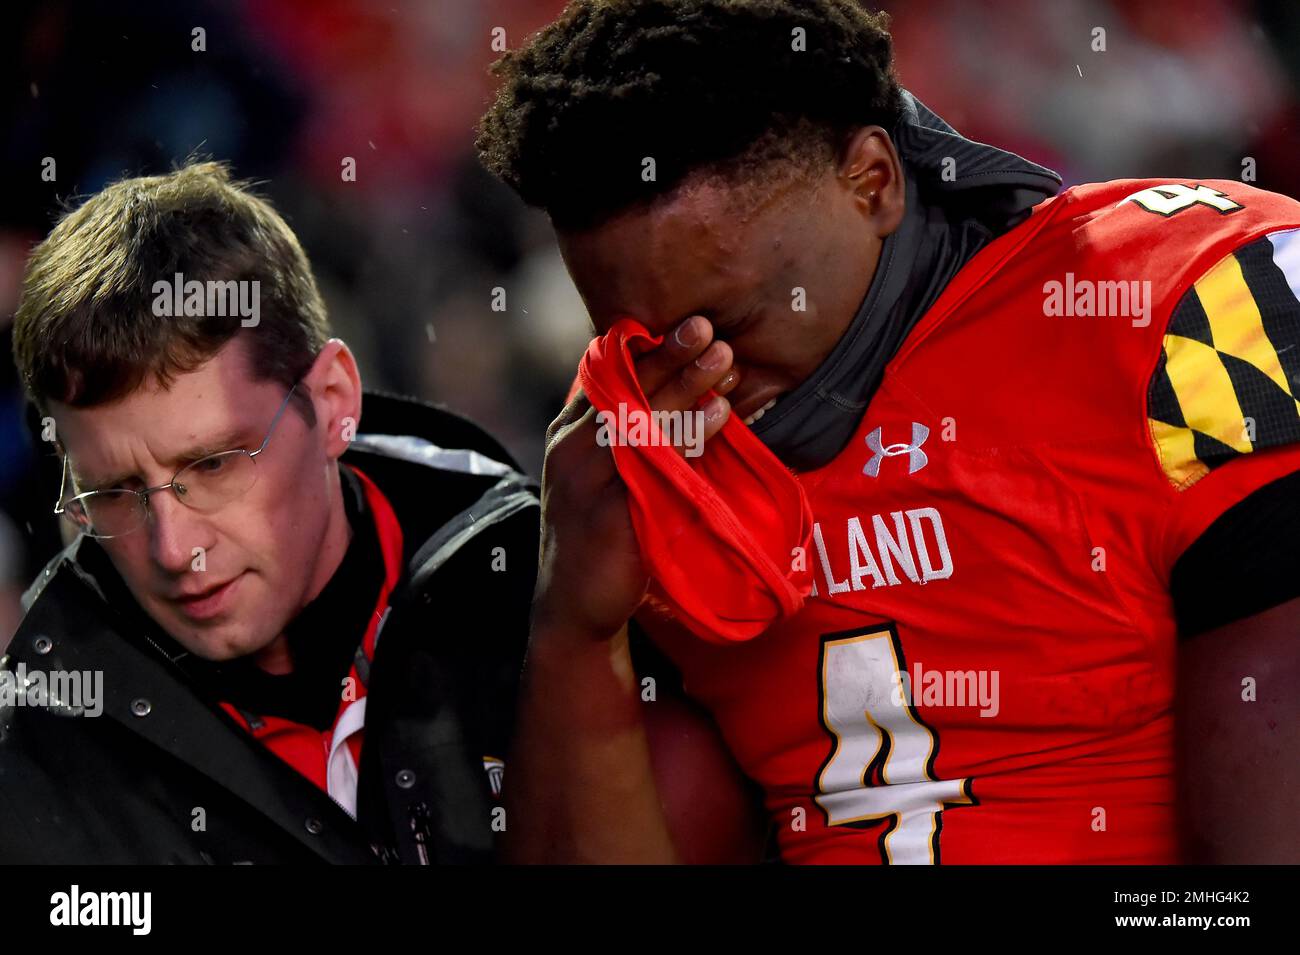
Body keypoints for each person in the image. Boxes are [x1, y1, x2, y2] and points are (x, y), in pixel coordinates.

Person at [477, 0, 1300, 863]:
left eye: (734, 321)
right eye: (647, 346)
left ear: (871, 181)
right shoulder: (633, 448)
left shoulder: (1191, 298)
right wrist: (573, 624)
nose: (705, 379)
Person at [0, 161, 538, 864]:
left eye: (214, 464)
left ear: (335, 400)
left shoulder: (535, 593)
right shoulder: (41, 748)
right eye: (115, 491)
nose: (172, 548)